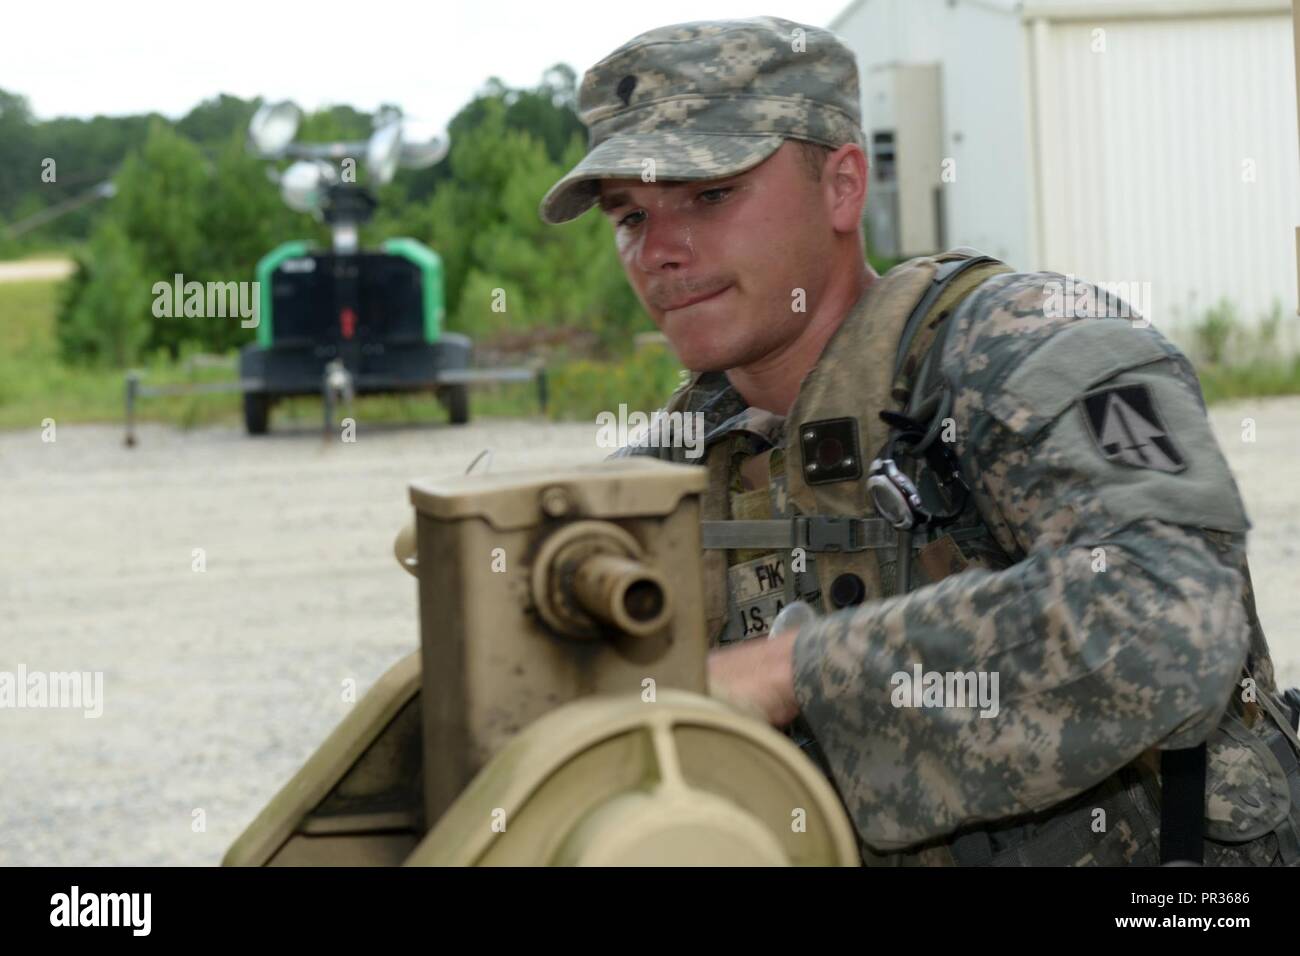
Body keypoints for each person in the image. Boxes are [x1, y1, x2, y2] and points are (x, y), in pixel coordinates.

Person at [538, 15, 1300, 865]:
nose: (661, 252)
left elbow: (1173, 616)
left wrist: (791, 673)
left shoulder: (1033, 350)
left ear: (843, 184)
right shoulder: (674, 464)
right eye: (630, 216)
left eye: (711, 195)